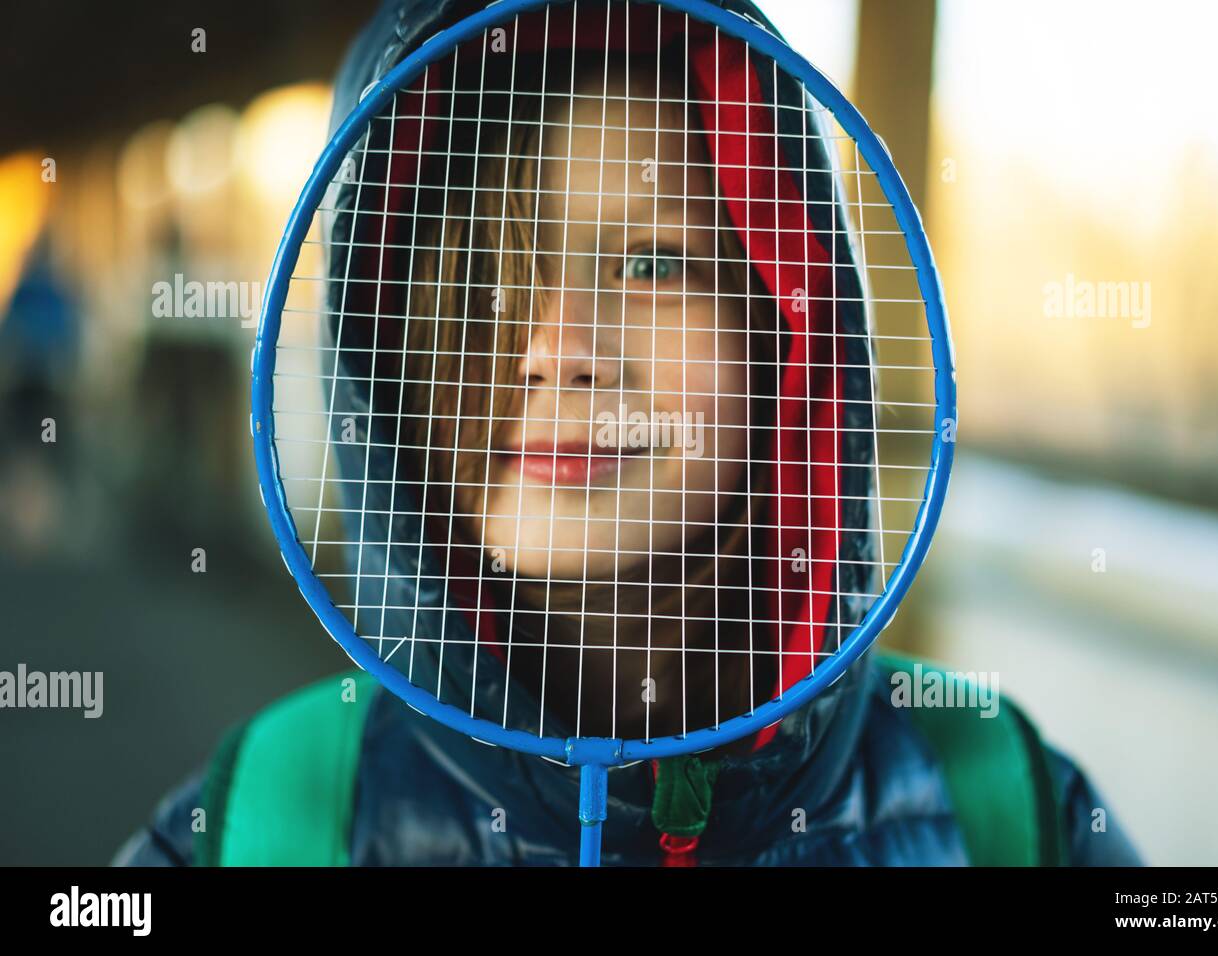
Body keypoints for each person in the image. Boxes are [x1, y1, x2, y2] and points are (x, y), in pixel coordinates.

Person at [115, 0, 1141, 866]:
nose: (561, 349)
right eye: (488, 273)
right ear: (382, 353)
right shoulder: (256, 819)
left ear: (781, 327)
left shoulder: (1011, 804)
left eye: (651, 263)